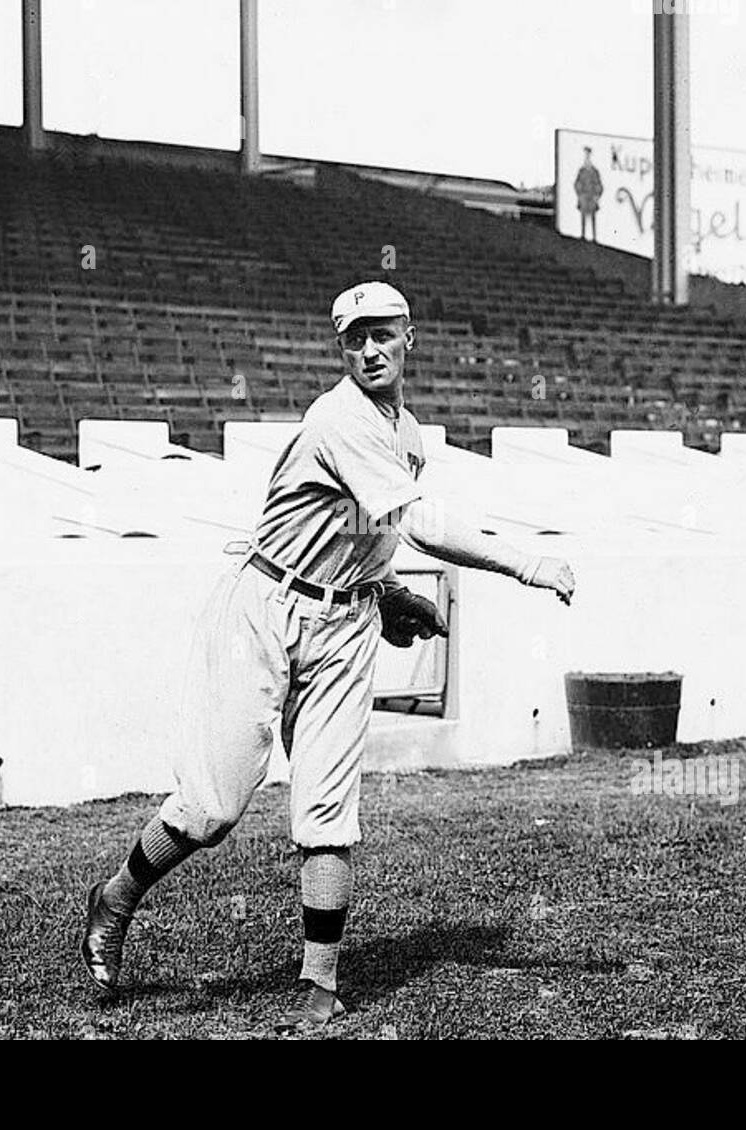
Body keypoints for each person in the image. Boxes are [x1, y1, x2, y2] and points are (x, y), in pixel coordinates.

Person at [81, 281, 576, 1032]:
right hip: (266, 608)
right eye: (354, 339)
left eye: (383, 334)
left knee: (328, 811)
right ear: (340, 348)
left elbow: (367, 537)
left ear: (411, 337)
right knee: (214, 808)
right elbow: (418, 524)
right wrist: (525, 564)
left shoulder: (404, 431)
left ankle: (320, 984)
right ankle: (116, 895)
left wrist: (386, 595)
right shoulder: (337, 417)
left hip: (345, 625)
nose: (370, 350)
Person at [574, 147, 604, 242]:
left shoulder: (595, 172)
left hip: (592, 197)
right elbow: (577, 183)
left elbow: (599, 184)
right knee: (583, 216)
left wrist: (596, 195)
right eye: (585, 156)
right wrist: (580, 194)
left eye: (588, 156)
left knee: (592, 217)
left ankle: (594, 237)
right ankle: (583, 235)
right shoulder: (581, 171)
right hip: (583, 197)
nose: (587, 159)